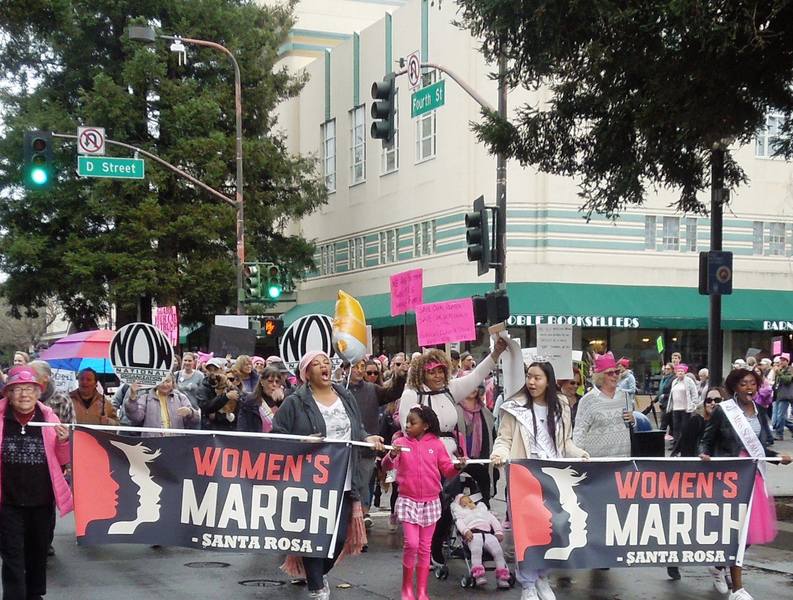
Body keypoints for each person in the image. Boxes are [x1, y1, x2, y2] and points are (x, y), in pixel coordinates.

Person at [272, 351, 384, 600]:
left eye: (326, 362)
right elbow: (277, 434)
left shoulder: (344, 396)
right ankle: (316, 589)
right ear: (306, 373)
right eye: (316, 364)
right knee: (314, 537)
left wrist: (367, 438)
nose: (324, 366)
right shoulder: (295, 401)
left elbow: (358, 428)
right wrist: (300, 442)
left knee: (339, 537)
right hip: (310, 480)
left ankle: (316, 574)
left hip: (344, 478)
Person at [398, 338, 508, 568]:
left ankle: (436, 547)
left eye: (442, 371)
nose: (438, 376)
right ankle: (425, 550)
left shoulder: (450, 391)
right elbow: (407, 430)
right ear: (421, 373)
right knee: (429, 507)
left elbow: (476, 376)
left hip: (449, 457)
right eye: (432, 372)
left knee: (450, 505)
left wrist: (495, 354)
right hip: (423, 458)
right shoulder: (411, 395)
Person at [491, 361, 589, 600]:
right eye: (529, 377)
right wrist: (500, 453)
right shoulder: (514, 407)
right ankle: (527, 583)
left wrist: (579, 453)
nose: (532, 382)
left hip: (553, 475)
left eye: (537, 378)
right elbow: (504, 438)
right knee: (527, 532)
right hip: (524, 476)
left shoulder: (562, 406)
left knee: (554, 528)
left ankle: (542, 576)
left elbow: (565, 443)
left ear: (548, 381)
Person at [699, 368, 792, 600]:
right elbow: (707, 440)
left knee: (749, 534)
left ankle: (719, 566)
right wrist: (705, 455)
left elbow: (760, 448)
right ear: (734, 388)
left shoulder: (760, 411)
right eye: (743, 384)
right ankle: (737, 589)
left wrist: (777, 458)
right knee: (735, 531)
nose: (749, 387)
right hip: (730, 477)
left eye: (752, 383)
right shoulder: (724, 411)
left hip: (753, 475)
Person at [0, 366, 72, 600]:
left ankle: (35, 595)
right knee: (12, 555)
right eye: (17, 389)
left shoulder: (49, 418)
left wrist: (63, 442)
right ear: (8, 394)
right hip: (7, 502)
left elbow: (62, 460)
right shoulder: (1, 418)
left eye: (29, 389)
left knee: (37, 553)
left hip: (41, 501)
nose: (24, 395)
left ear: (38, 393)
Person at [381, 405, 465, 600]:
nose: (407, 425)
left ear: (426, 425)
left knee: (425, 547)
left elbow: (447, 470)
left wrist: (458, 466)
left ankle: (422, 591)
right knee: (411, 544)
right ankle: (407, 589)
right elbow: (386, 466)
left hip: (431, 502)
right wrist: (391, 455)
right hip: (408, 500)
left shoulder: (436, 444)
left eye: (413, 422)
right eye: (407, 422)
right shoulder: (400, 442)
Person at [348, 358, 406, 529]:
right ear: (346, 368)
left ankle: (362, 520)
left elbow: (392, 393)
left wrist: (400, 376)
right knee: (348, 486)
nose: (359, 371)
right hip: (344, 448)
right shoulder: (339, 390)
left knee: (364, 486)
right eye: (355, 367)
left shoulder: (372, 389)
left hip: (368, 448)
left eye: (362, 367)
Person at [573, 352, 634, 459]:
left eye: (617, 372)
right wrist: (579, 458)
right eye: (610, 373)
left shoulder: (624, 396)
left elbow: (630, 425)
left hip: (623, 461)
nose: (615, 375)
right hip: (597, 462)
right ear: (600, 376)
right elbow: (579, 431)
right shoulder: (588, 400)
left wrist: (633, 420)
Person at [451, 494, 509, 589]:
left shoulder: (483, 512)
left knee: (498, 552)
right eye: (464, 505)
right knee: (476, 551)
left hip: (488, 534)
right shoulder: (462, 515)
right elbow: (459, 524)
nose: (469, 505)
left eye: (470, 502)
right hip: (473, 535)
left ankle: (502, 576)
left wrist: (498, 531)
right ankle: (478, 575)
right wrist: (465, 531)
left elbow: (494, 521)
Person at [457, 383, 496, 505]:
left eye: (476, 386)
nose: (473, 388)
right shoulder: (454, 409)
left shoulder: (485, 411)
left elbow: (492, 435)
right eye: (469, 385)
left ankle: (483, 506)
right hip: (459, 457)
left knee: (491, 475)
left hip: (481, 458)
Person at [124, 374, 200, 435]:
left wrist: (190, 412)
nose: (165, 384)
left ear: (172, 382)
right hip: (152, 444)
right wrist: (132, 399)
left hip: (176, 443)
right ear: (156, 383)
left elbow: (196, 420)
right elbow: (136, 417)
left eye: (168, 381)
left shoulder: (180, 397)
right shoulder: (146, 397)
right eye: (162, 381)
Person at [237, 365, 282, 433]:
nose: (274, 384)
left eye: (277, 381)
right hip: (257, 441)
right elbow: (242, 429)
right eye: (270, 381)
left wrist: (281, 401)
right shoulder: (249, 402)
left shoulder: (284, 402)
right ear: (262, 382)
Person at [29, 360, 74, 425]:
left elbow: (71, 429)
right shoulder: (24, 397)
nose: (30, 378)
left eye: (34, 375)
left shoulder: (61, 399)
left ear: (46, 378)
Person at [667, 364, 700, 445]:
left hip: (685, 408)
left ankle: (684, 444)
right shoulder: (674, 382)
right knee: (676, 427)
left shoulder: (689, 381)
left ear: (685, 372)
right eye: (678, 371)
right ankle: (676, 444)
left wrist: (693, 404)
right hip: (675, 408)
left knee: (684, 427)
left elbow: (694, 393)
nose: (680, 373)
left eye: (682, 371)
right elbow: (671, 394)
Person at [771, 353, 793, 440]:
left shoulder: (790, 369)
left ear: (787, 361)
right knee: (778, 416)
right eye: (781, 360)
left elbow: (787, 380)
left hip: (785, 395)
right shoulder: (780, 369)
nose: (781, 362)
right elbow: (777, 383)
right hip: (778, 395)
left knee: (780, 415)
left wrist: (778, 373)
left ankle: (779, 434)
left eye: (783, 360)